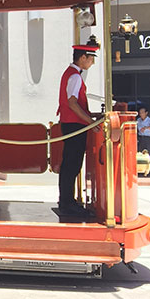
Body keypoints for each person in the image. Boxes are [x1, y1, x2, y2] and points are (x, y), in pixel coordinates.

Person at [56, 40, 99, 218]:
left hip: (71, 124)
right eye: (91, 58)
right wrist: (90, 122)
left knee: (70, 165)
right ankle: (67, 203)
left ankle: (67, 200)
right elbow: (72, 103)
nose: (92, 62)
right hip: (74, 125)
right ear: (83, 57)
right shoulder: (74, 76)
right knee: (71, 165)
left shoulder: (72, 74)